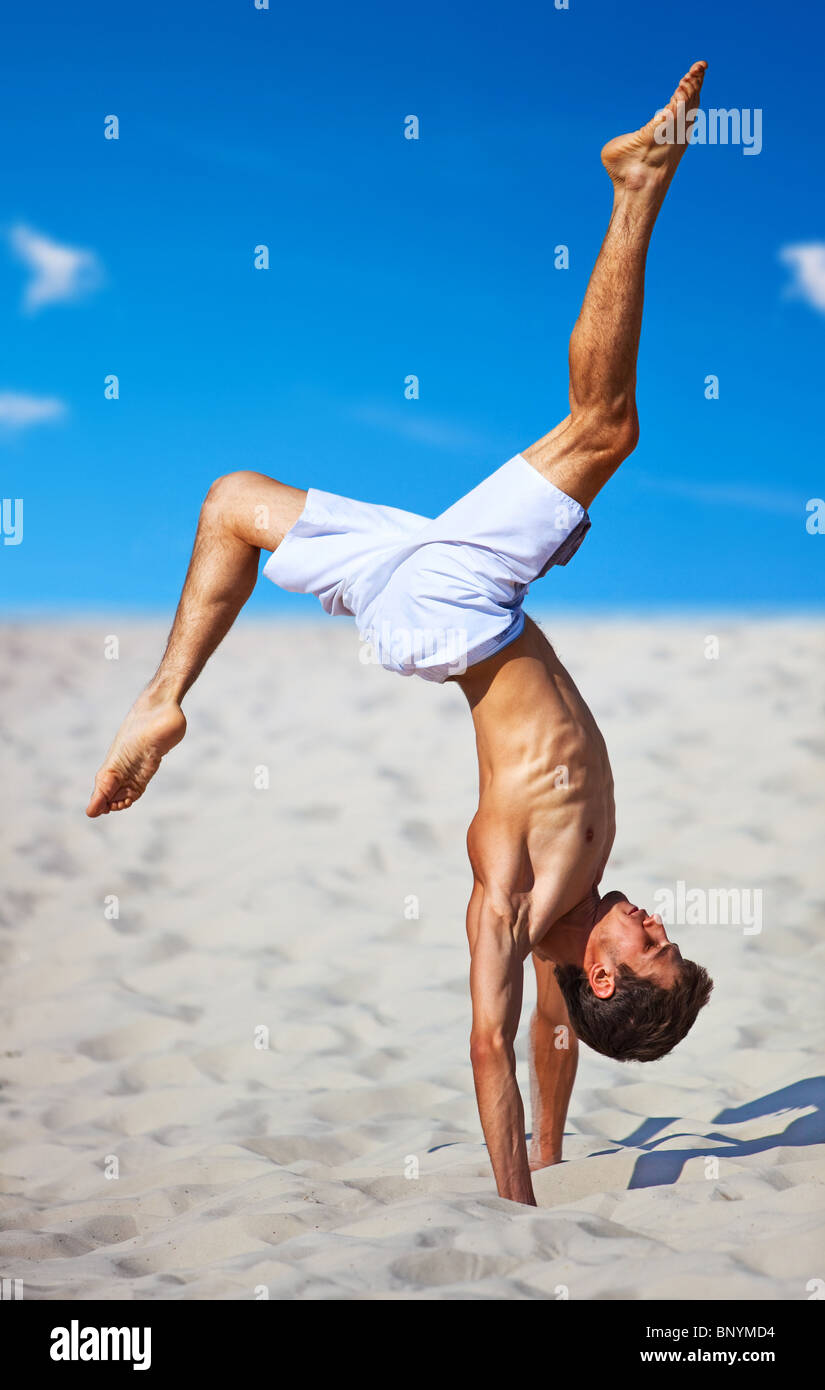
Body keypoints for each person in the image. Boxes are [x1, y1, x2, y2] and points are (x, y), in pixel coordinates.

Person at [87, 62, 714, 1204]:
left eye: (655, 944)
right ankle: (167, 692)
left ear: (610, 976)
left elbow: (494, 1036)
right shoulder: (578, 905)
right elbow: (548, 1035)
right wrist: (559, 1157)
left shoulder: (517, 888)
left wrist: (514, 1206)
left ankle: (636, 185)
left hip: (457, 616)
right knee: (235, 501)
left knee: (603, 426)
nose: (658, 920)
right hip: (446, 611)